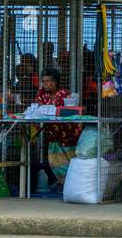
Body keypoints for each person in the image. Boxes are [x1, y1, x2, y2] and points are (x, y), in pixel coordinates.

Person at [29, 67, 82, 195]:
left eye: (48, 81)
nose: (45, 84)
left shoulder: (64, 95)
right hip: (53, 133)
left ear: (55, 82)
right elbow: (38, 105)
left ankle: (71, 185)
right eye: (44, 81)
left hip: (69, 134)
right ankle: (61, 185)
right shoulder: (42, 92)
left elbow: (68, 111)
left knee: (69, 158)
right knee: (55, 161)